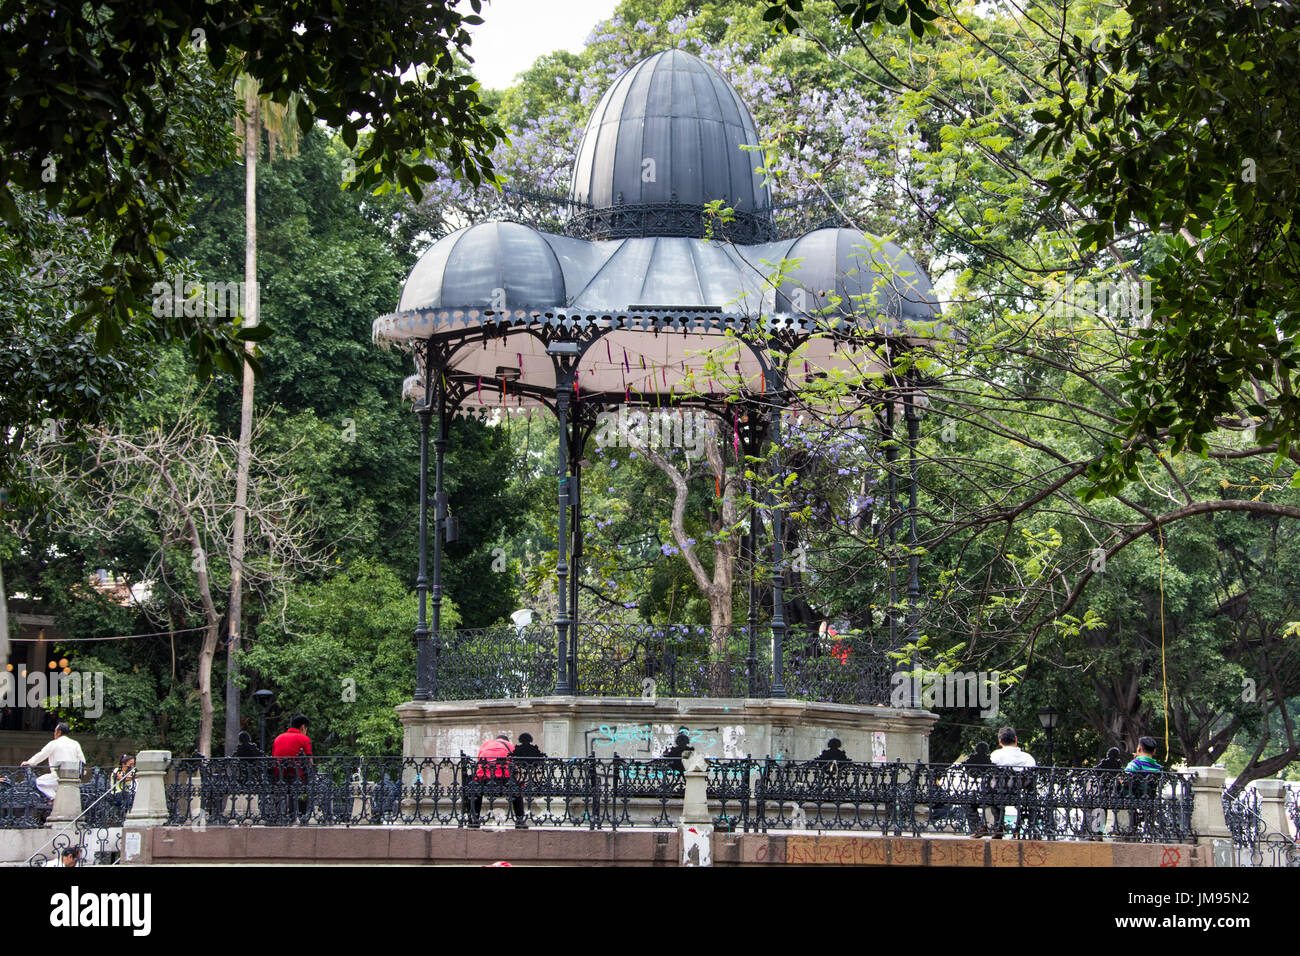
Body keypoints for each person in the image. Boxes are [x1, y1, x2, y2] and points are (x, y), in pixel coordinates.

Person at [464, 733, 523, 828]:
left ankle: (473, 820)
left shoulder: (485, 745)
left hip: (483, 781)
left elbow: (479, 762)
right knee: (517, 790)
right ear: (507, 741)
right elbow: (515, 766)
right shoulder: (510, 746)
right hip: (504, 781)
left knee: (475, 792)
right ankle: (520, 821)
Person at [985, 727, 1036, 838]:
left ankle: (997, 826)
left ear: (1000, 742)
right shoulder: (1028, 758)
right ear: (1016, 739)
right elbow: (1031, 780)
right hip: (1019, 796)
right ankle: (1020, 828)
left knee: (989, 795)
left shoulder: (995, 756)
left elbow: (989, 776)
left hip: (998, 795)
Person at [21, 722, 86, 800]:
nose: (54, 733)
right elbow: (82, 761)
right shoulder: (75, 743)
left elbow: (42, 755)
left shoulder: (54, 743)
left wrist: (29, 763)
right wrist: (82, 770)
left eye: (55, 731)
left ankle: (54, 798)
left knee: (38, 782)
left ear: (59, 732)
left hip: (58, 777)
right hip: (74, 778)